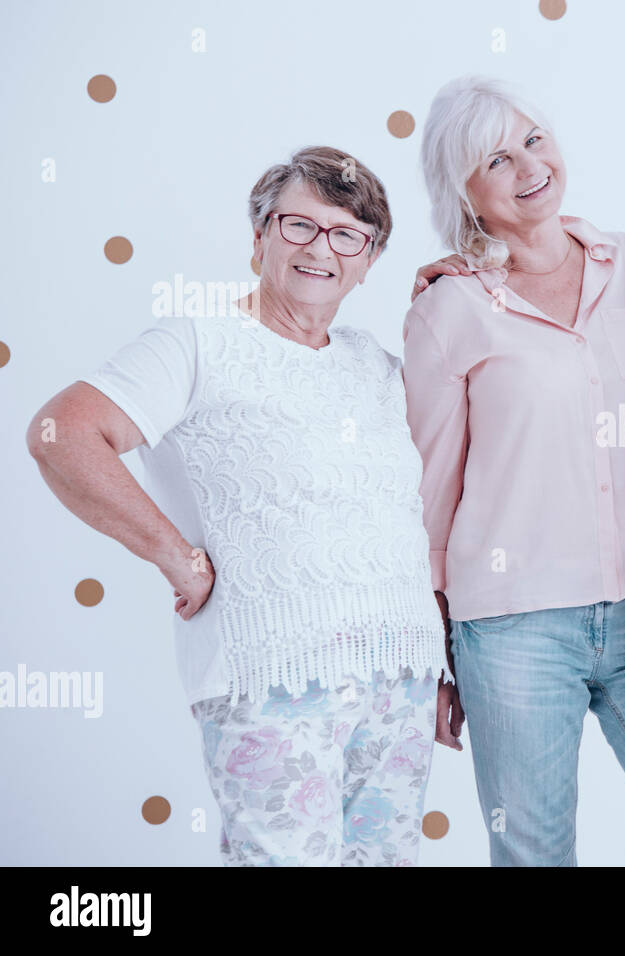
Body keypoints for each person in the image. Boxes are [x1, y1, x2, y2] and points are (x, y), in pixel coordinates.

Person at [26, 146, 448, 866]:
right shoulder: (198, 342)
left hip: (400, 679)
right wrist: (176, 557)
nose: (322, 248)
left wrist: (457, 299)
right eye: (299, 226)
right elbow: (61, 432)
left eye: (348, 234)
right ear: (259, 238)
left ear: (369, 259)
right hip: (273, 682)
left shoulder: (376, 364)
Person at [403, 75, 625, 865]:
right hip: (514, 628)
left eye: (533, 139)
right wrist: (430, 648)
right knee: (533, 853)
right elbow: (427, 491)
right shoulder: (449, 310)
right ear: (466, 196)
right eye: (495, 161)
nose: (527, 167)